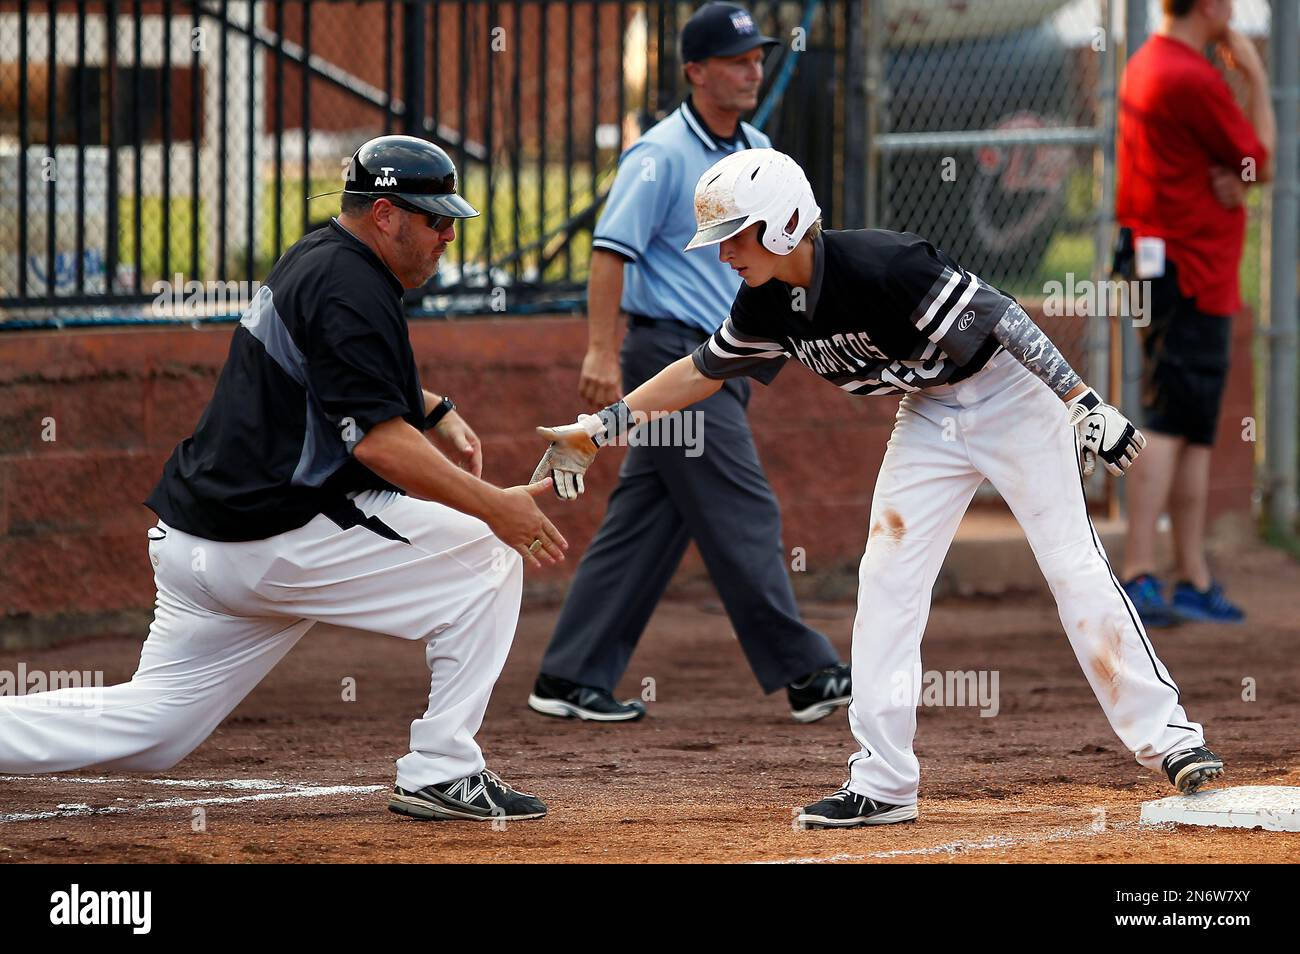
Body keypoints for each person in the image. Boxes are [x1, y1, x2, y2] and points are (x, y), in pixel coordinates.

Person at [532, 148, 1224, 828]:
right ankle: (884, 781)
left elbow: (1002, 314)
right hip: (928, 411)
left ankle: (1172, 739)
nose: (723, 255)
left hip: (1009, 396)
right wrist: (601, 426)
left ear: (779, 224)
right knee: (888, 578)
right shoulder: (767, 303)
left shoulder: (885, 264)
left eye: (733, 237)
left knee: (1072, 562)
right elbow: (702, 368)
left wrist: (1082, 400)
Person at [0, 135, 567, 824]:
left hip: (199, 542)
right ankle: (444, 771)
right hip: (274, 539)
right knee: (487, 554)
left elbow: (334, 367)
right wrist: (494, 507)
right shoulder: (353, 285)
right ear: (386, 214)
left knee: (154, 729)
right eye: (435, 219)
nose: (449, 234)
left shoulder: (320, 255)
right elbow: (383, 447)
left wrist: (433, 406)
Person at [527, 2, 850, 726]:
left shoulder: (757, 148)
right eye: (736, 61)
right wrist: (601, 354)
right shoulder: (661, 153)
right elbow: (612, 251)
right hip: (673, 353)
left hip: (719, 357)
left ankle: (569, 674)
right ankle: (808, 673)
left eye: (757, 57)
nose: (753, 70)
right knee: (742, 506)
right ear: (695, 72)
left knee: (649, 518)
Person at [1116, 0, 1274, 626]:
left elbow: (1237, 168)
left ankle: (1191, 577)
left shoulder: (1156, 64)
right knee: (1168, 421)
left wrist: (1230, 174)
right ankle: (1138, 575)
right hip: (1183, 270)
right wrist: (1257, 77)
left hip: (1187, 271)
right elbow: (1260, 160)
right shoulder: (1186, 72)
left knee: (1194, 428)